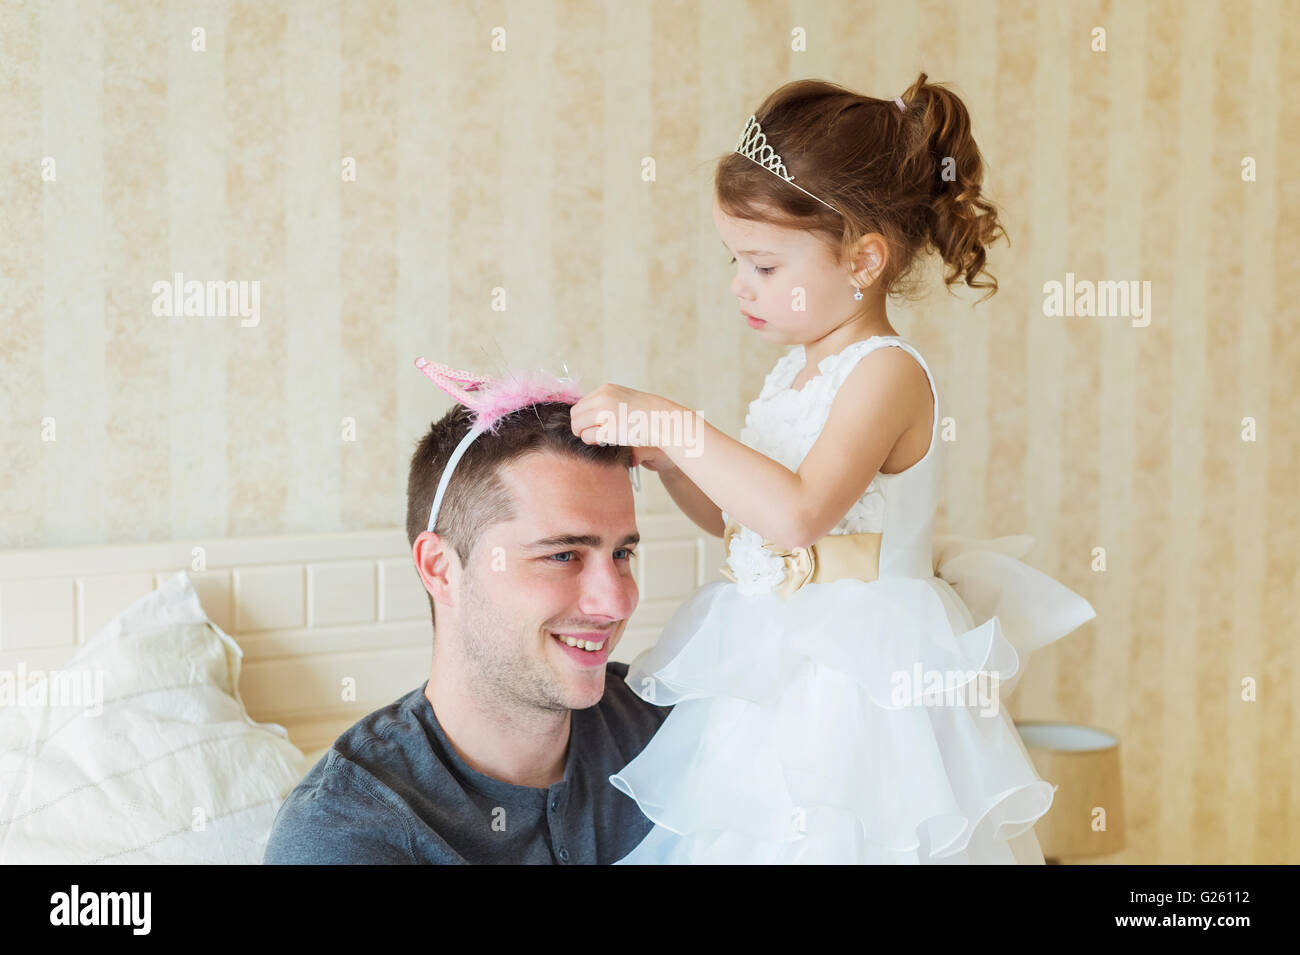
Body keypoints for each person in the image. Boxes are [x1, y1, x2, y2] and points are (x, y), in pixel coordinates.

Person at [568, 74, 1097, 863]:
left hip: (862, 682)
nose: (739, 285)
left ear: (864, 258)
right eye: (735, 260)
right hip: (779, 664)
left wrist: (674, 422)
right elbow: (751, 525)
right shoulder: (794, 374)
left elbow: (802, 512)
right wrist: (675, 463)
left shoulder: (886, 373)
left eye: (765, 266)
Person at [264, 389, 669, 864]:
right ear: (440, 568)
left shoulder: (668, 725)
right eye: (562, 555)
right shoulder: (345, 833)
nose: (617, 601)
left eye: (622, 554)